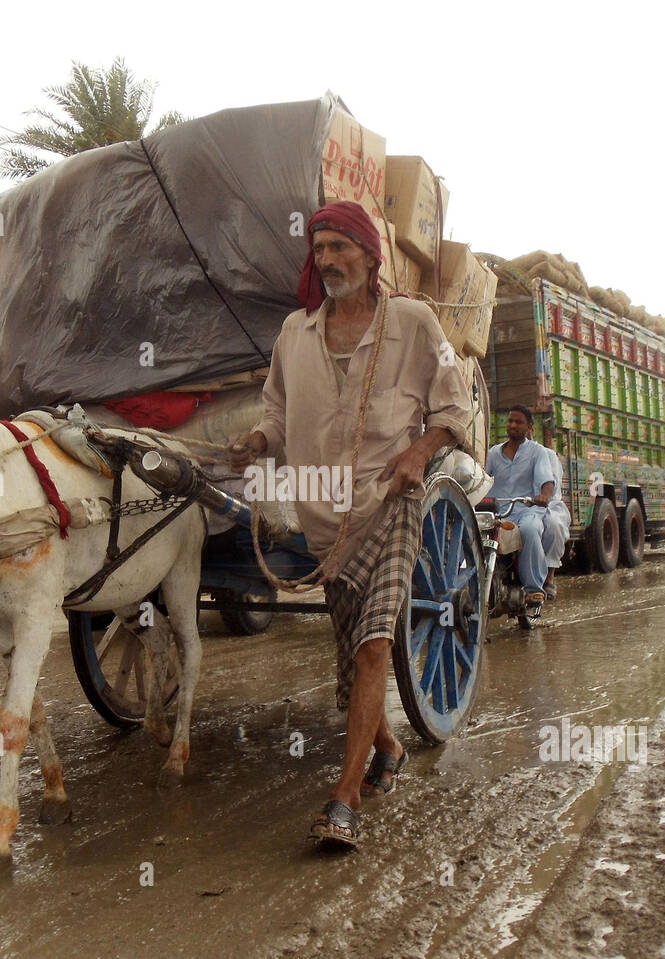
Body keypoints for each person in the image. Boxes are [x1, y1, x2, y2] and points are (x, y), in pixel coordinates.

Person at [228, 201, 470, 851]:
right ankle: (384, 744)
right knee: (350, 664)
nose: (328, 258)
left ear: (370, 255)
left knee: (371, 646)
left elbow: (454, 405)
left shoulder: (415, 323)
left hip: (390, 505)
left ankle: (345, 795)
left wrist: (420, 451)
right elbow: (276, 418)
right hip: (322, 520)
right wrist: (254, 440)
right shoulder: (293, 335)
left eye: (340, 246)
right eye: (320, 247)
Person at [485, 406, 557, 617]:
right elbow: (482, 480)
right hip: (498, 513)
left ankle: (534, 590)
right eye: (510, 421)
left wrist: (544, 495)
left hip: (527, 510)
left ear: (529, 427)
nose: (513, 425)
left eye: (518, 422)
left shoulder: (537, 452)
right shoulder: (493, 453)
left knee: (530, 530)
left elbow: (547, 481)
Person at [543, 450, 572, 599]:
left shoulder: (546, 455)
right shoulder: (497, 452)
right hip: (511, 505)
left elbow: (552, 484)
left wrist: (542, 496)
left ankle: (549, 575)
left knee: (553, 525)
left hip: (544, 503)